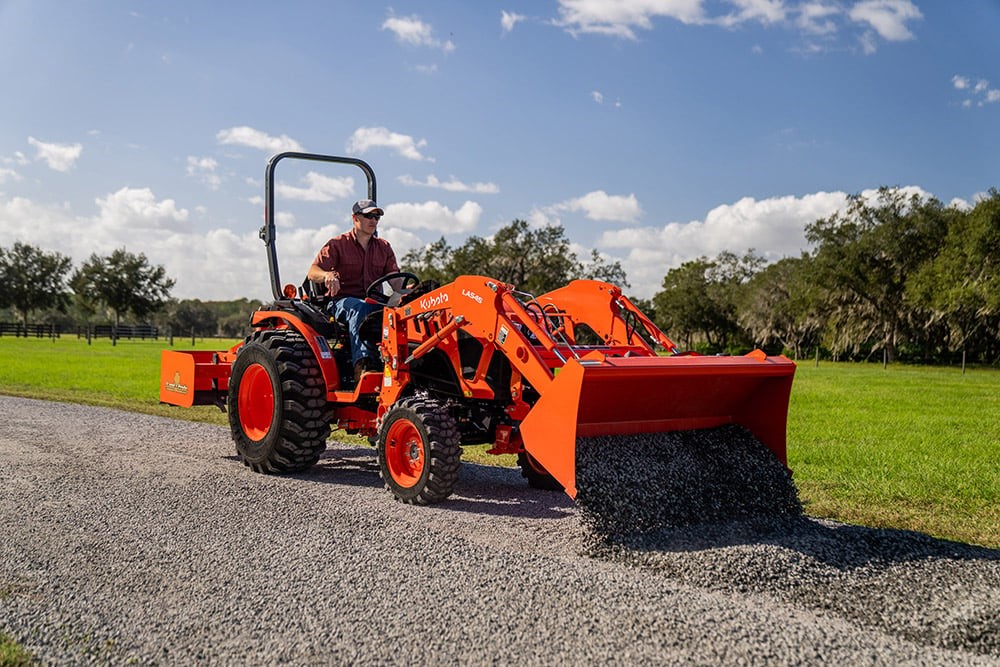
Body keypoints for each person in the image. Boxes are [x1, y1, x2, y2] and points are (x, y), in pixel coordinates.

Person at [307, 199, 399, 381]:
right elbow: (312, 272)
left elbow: (395, 280)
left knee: (404, 311)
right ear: (355, 218)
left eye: (377, 216)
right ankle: (364, 366)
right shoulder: (337, 244)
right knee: (359, 307)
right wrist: (327, 276)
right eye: (368, 216)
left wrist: (409, 292)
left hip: (375, 302)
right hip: (342, 302)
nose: (373, 220)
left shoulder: (384, 247)